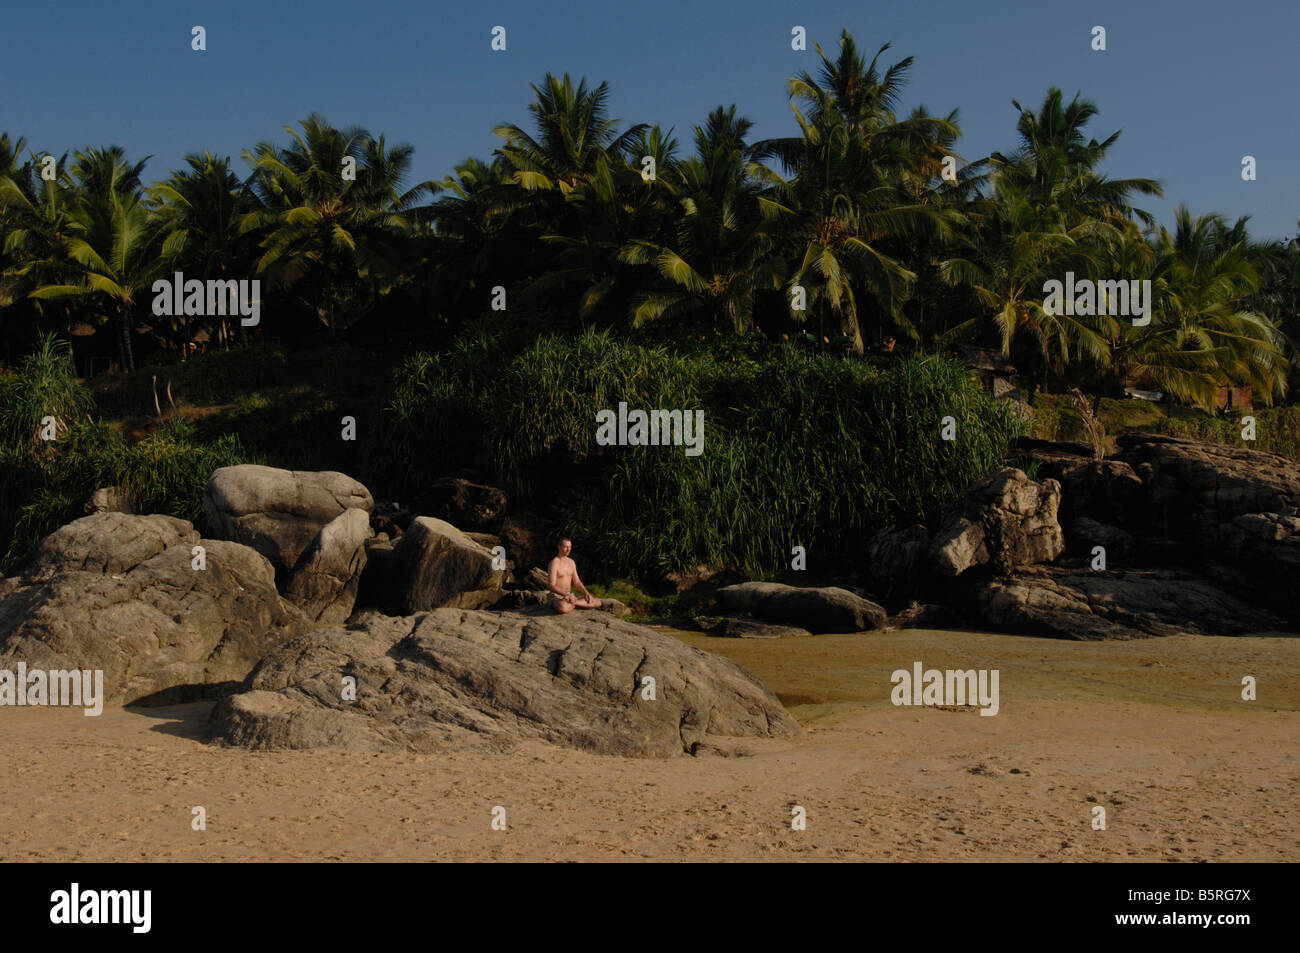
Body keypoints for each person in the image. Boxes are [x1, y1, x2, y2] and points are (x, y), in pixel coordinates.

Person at [547, 538, 602, 614]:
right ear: (559, 547)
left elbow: (577, 582)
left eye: (570, 547)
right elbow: (551, 585)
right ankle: (576, 604)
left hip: (570, 596)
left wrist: (586, 593)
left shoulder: (571, 562)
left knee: (598, 602)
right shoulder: (554, 563)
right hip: (556, 596)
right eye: (565, 547)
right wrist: (566, 594)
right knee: (562, 608)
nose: (568, 549)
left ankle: (574, 603)